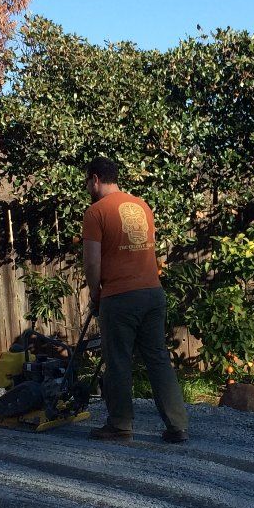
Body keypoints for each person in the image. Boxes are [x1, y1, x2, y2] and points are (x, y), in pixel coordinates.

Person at [81, 157, 189, 444]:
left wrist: (95, 293)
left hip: (120, 296)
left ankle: (119, 425)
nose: (87, 187)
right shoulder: (142, 206)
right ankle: (177, 426)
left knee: (118, 360)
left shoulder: (96, 212)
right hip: (153, 293)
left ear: (95, 179)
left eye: (87, 182)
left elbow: (92, 262)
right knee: (158, 359)